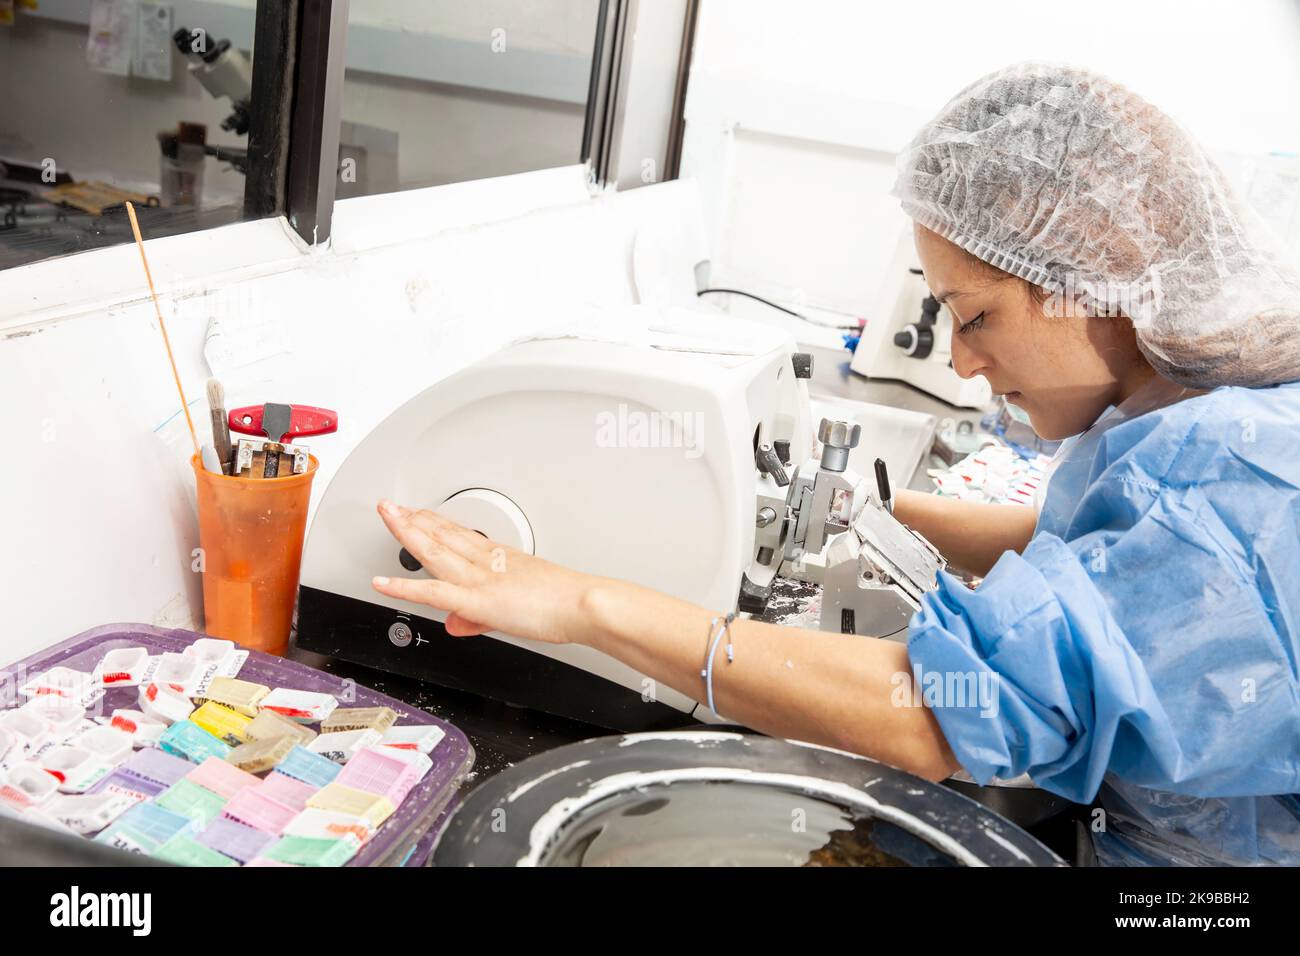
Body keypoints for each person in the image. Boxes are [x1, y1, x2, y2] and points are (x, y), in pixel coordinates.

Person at [370, 63, 1300, 866]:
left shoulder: (1215, 472)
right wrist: (878, 516)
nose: (966, 366)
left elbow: (932, 716)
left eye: (976, 317)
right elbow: (1120, 570)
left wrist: (582, 602)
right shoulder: (1209, 412)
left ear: (1098, 274)